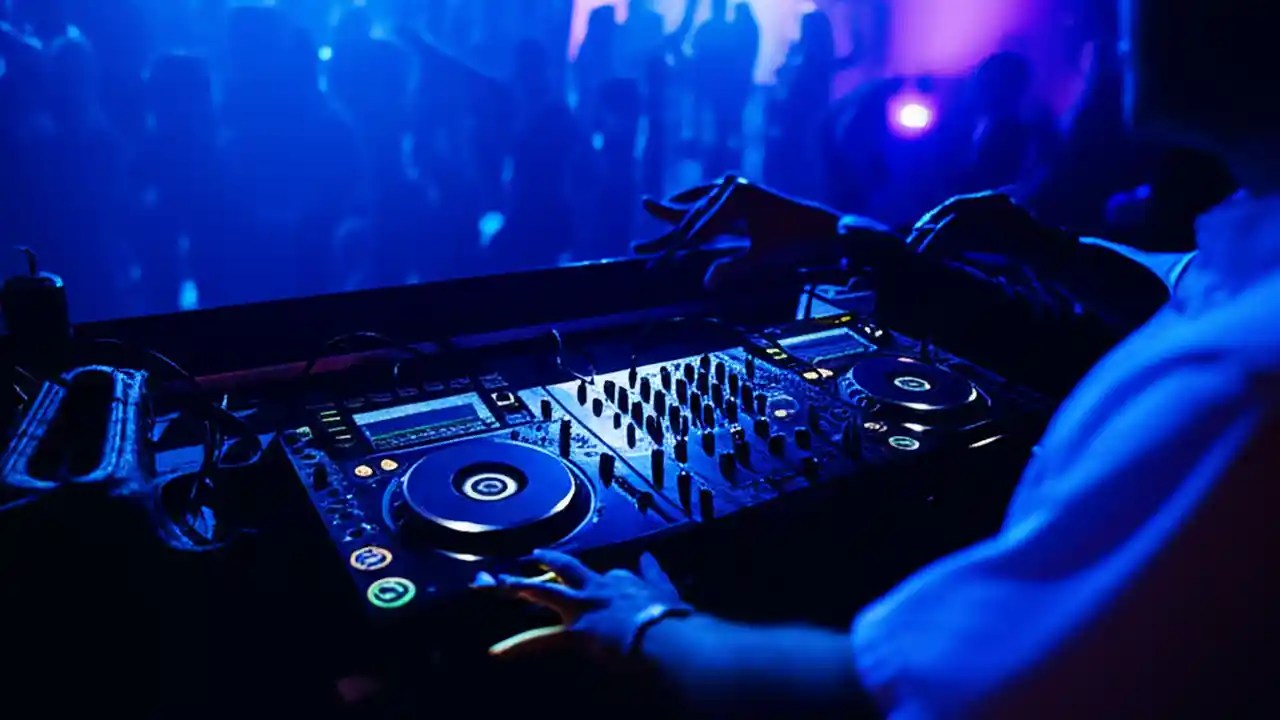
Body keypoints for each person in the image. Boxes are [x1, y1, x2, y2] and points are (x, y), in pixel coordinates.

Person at [478, 1, 1280, 716]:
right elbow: (1173, 293)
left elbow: (871, 698)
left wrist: (639, 625)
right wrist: (1020, 248)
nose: (1118, 16)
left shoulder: (1240, 383)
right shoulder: (1249, 272)